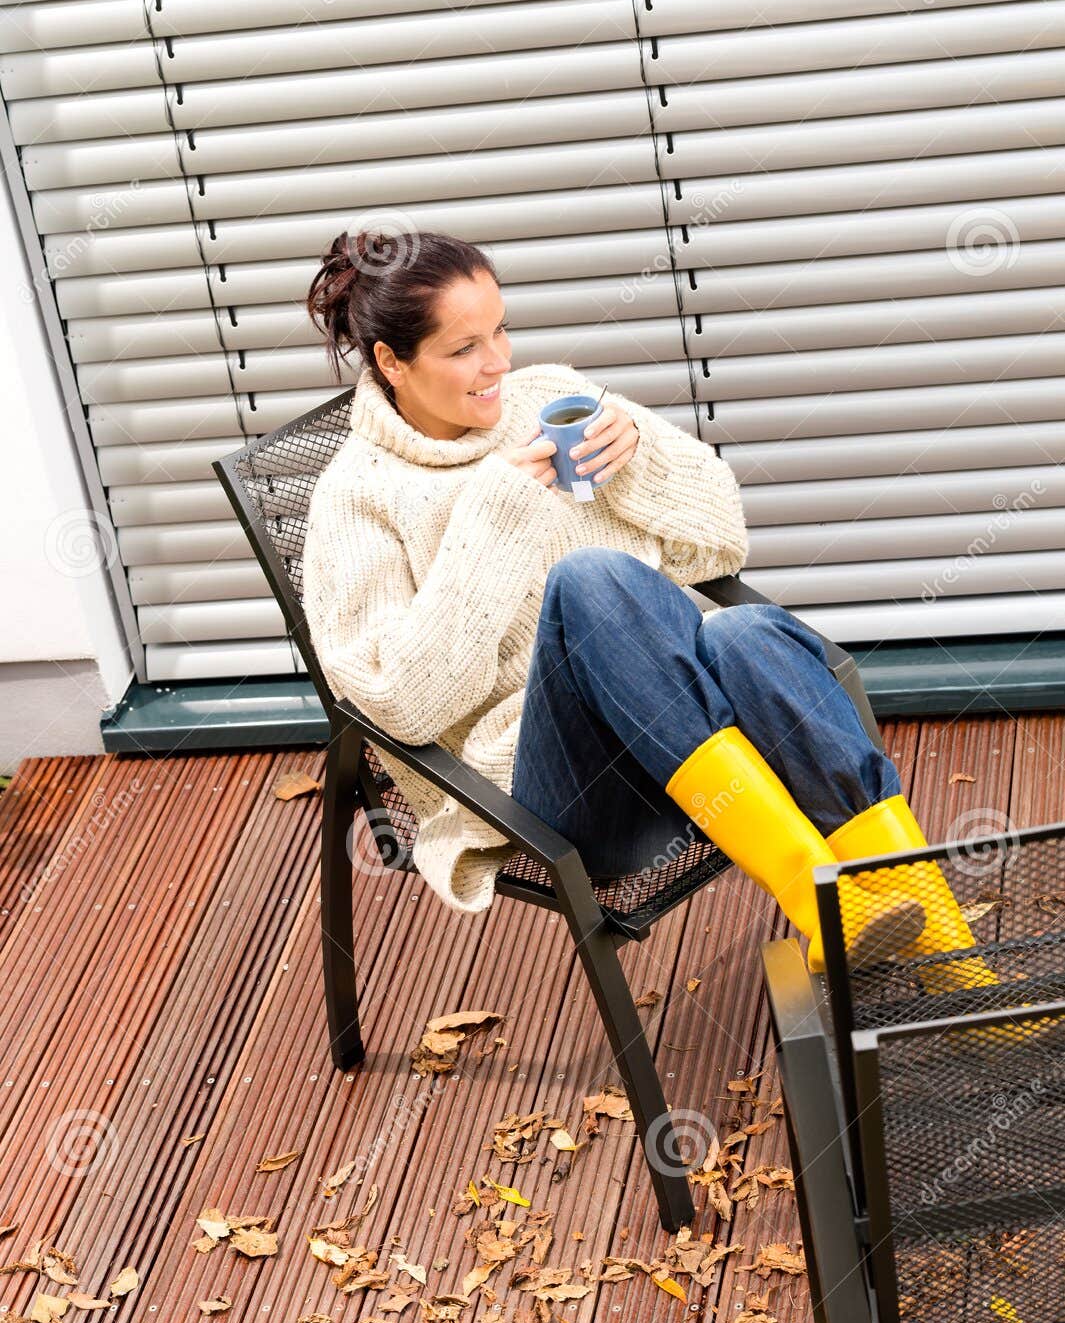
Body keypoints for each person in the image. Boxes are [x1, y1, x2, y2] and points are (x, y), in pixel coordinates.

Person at [302, 227, 992, 982]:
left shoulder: (547, 399)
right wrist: (492, 523)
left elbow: (721, 544)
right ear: (391, 362)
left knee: (748, 634)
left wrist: (642, 462)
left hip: (704, 757)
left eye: (499, 330)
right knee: (593, 581)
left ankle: (952, 963)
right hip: (569, 802)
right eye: (464, 348)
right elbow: (399, 707)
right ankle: (817, 900)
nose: (498, 362)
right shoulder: (357, 499)